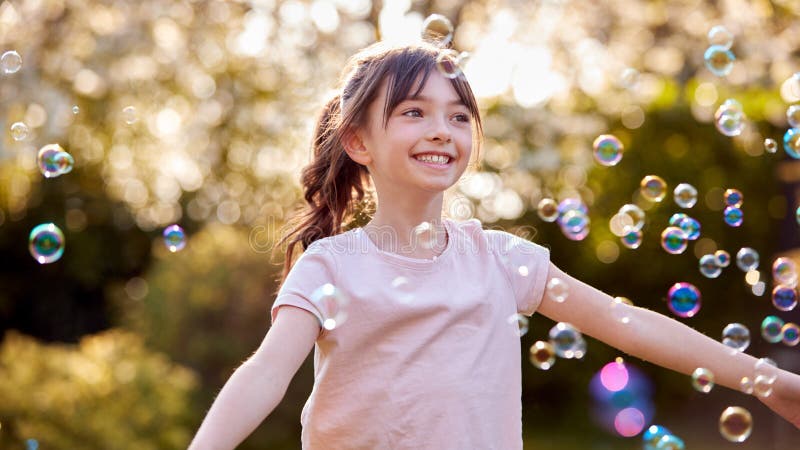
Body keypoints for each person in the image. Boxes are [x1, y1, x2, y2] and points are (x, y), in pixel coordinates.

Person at [188, 41, 800, 449]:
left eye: (459, 116)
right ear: (357, 142)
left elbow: (628, 323)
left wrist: (767, 380)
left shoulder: (503, 261)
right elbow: (266, 372)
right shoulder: (331, 267)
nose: (441, 130)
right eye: (413, 112)